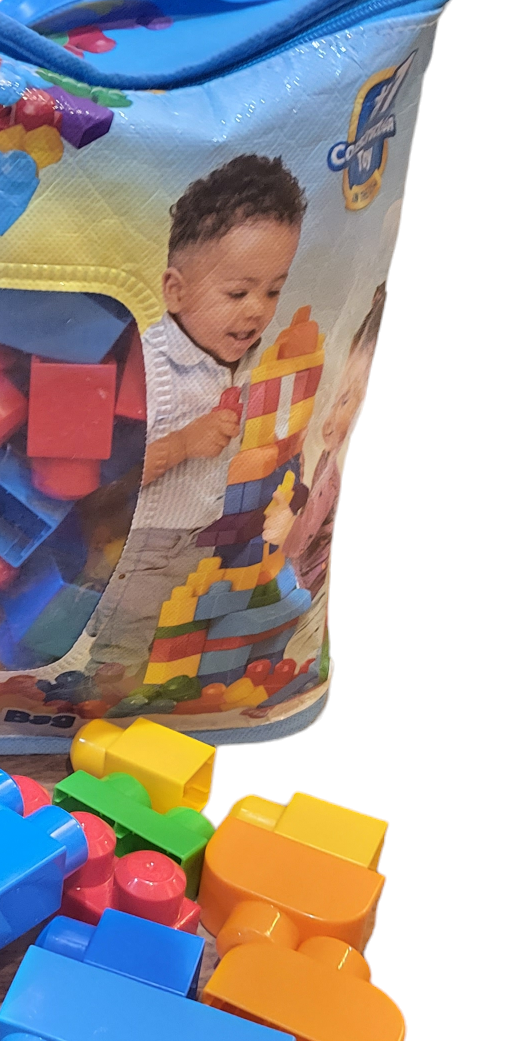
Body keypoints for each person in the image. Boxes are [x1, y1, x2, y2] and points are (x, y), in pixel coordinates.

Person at [91, 154, 307, 673]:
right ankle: (96, 703)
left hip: (212, 535)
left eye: (273, 290)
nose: (257, 309)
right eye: (237, 292)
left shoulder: (251, 360)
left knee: (182, 641)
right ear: (176, 290)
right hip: (146, 545)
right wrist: (185, 443)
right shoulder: (148, 365)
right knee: (126, 646)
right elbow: (107, 474)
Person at [286, 284, 384, 593]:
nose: (328, 422)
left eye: (344, 401)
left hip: (307, 587)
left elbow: (296, 542)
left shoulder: (336, 471)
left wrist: (281, 525)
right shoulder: (331, 459)